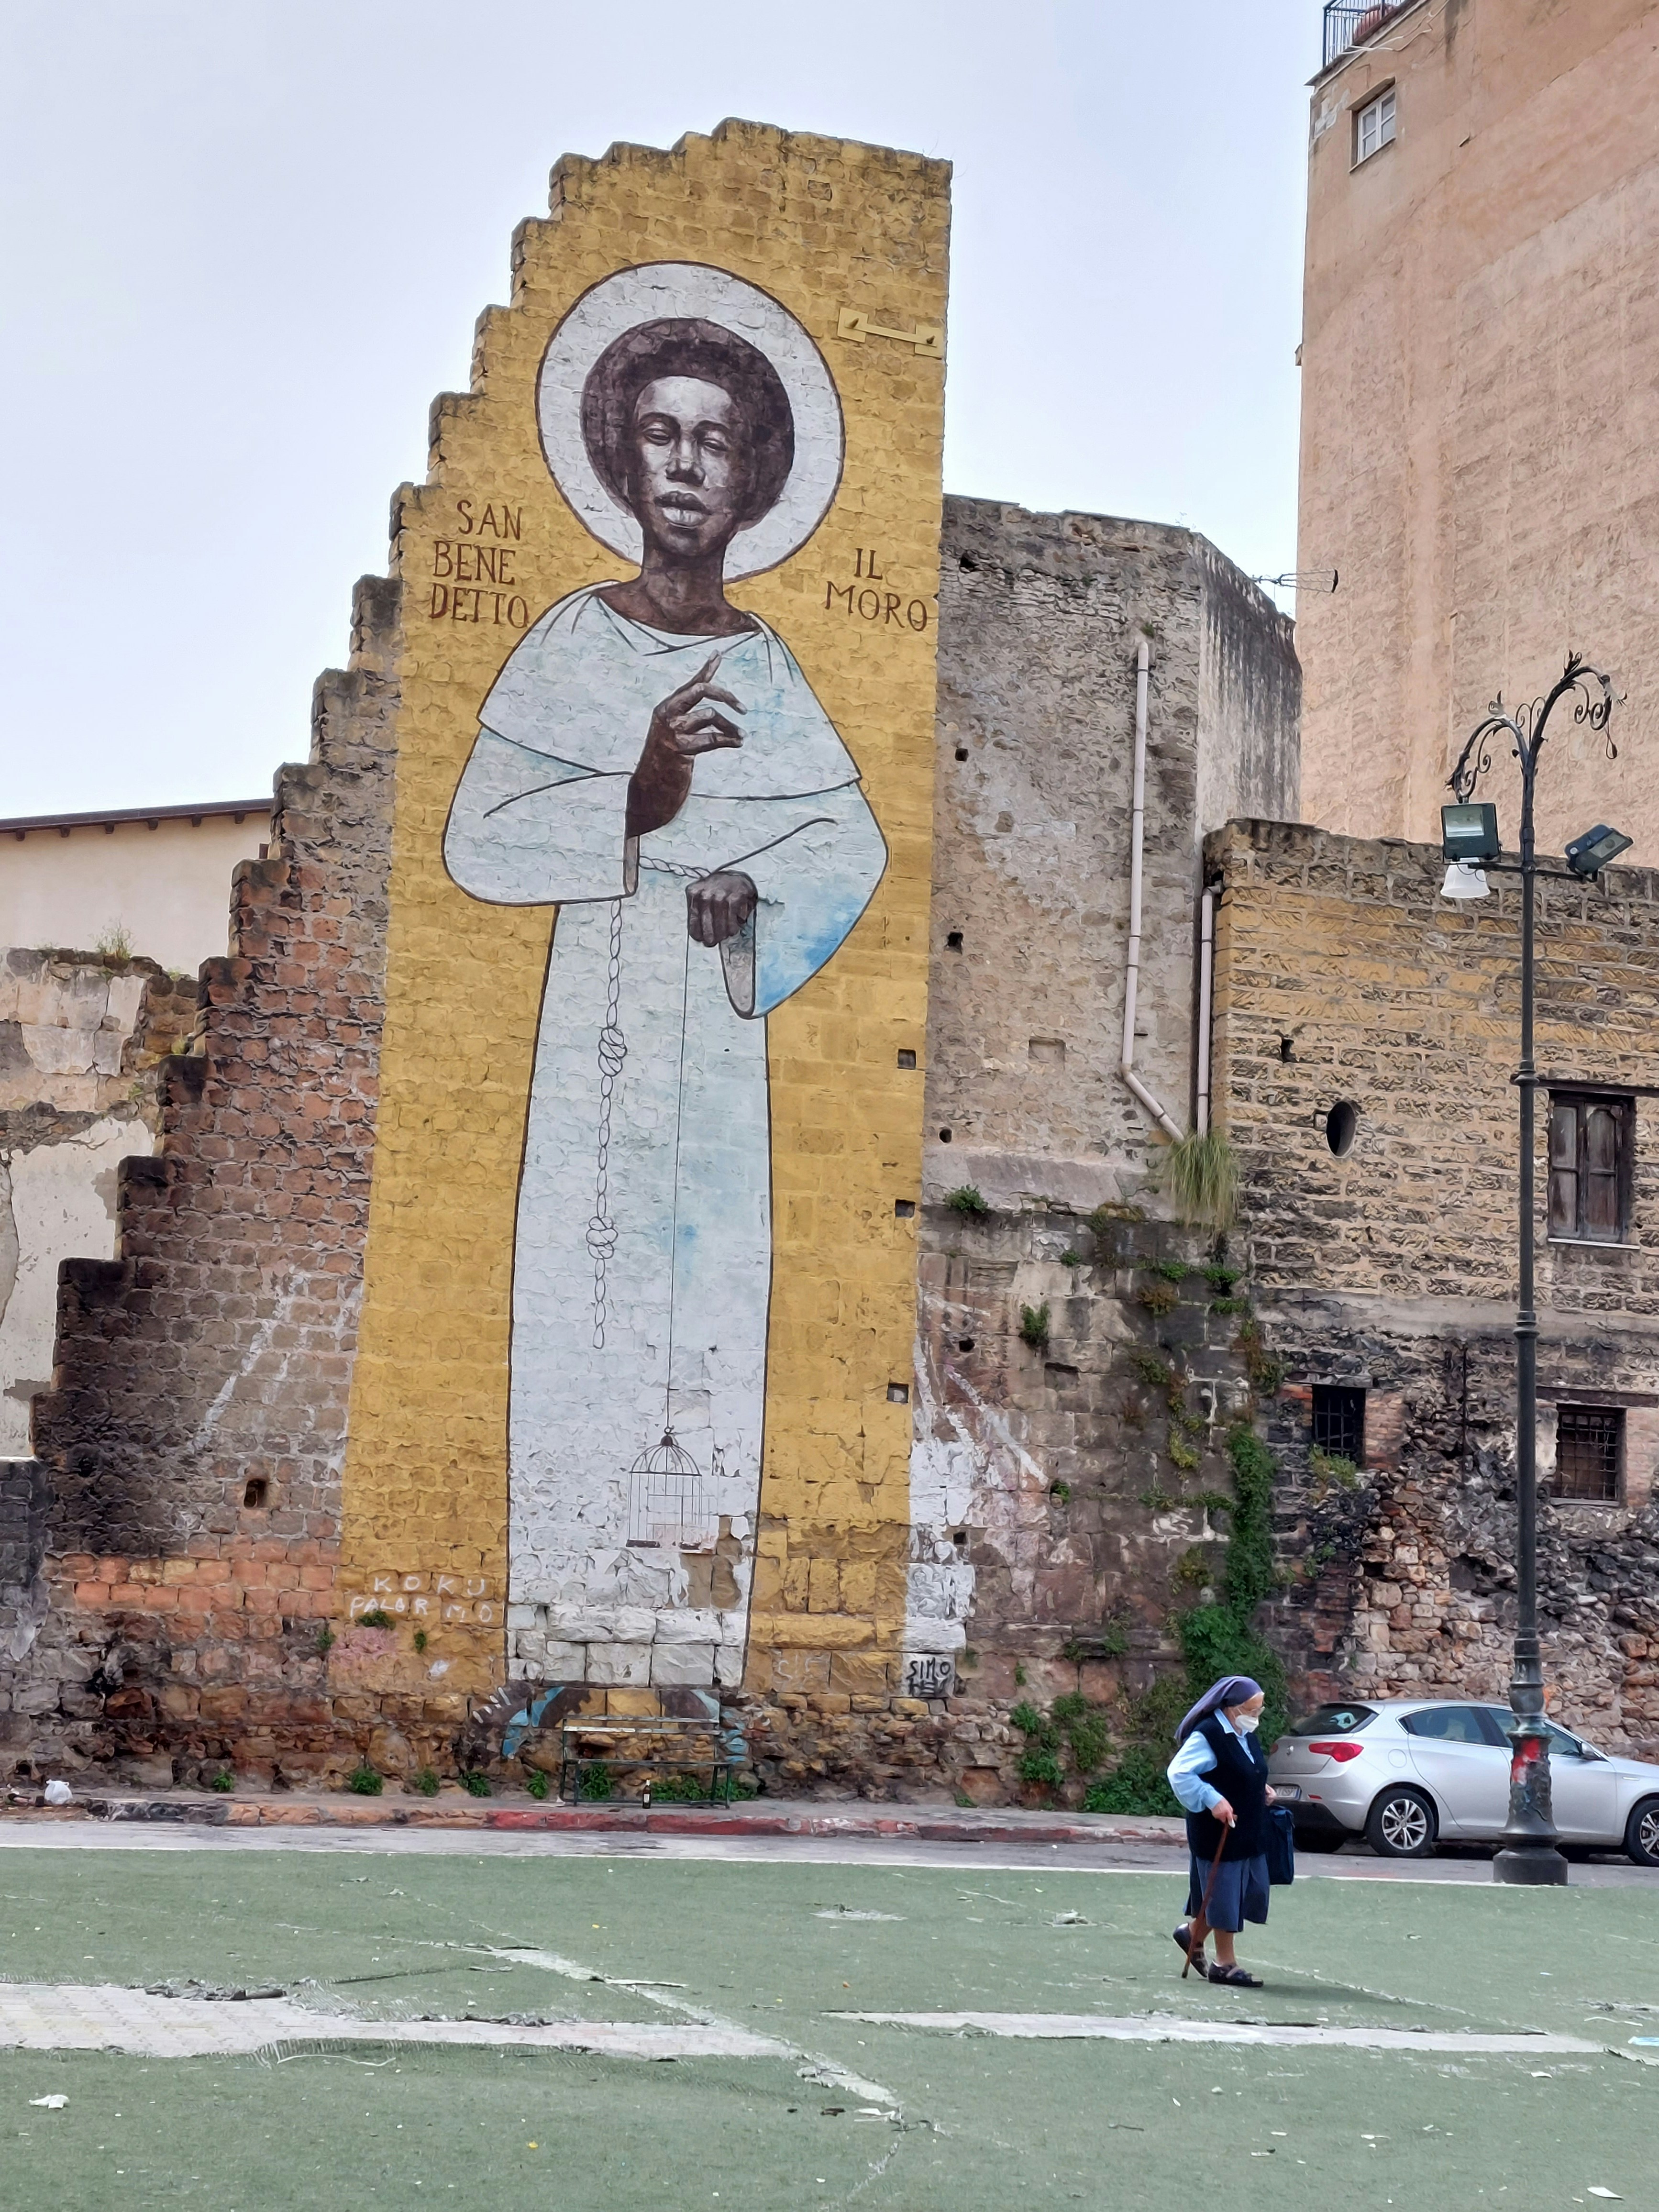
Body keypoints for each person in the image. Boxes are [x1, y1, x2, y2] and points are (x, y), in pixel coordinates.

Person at [444, 307, 885, 1683]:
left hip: (716, 1066)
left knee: (710, 1331)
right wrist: (636, 799)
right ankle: (551, 1651)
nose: (686, 465)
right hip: (592, 1051)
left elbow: (850, 843)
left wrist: (751, 890)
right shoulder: (571, 644)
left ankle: (697, 1671)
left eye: (715, 441)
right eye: (658, 435)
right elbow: (476, 837)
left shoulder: (766, 669)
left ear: (752, 477)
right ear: (621, 462)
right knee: (581, 1315)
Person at [1166, 1674, 1277, 1987]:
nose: (1256, 1717)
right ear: (1230, 1708)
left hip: (1246, 1829)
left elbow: (1240, 1769)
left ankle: (1191, 1935)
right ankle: (1224, 1964)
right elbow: (1180, 1773)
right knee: (1225, 1894)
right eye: (1251, 1710)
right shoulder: (1209, 1734)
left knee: (1234, 1893)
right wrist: (1212, 1799)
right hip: (1219, 1831)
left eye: (1259, 1711)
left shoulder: (1242, 1731)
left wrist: (1260, 1787)